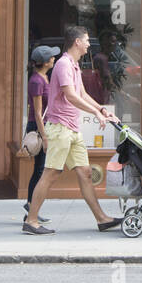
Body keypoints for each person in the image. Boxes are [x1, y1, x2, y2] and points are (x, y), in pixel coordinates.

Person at [23, 26, 121, 235]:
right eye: (86, 40)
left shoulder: (74, 65)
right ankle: (31, 221)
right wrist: (95, 115)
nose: (88, 43)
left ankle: (102, 219)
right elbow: (70, 96)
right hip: (60, 128)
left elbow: (82, 93)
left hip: (72, 129)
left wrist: (101, 109)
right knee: (50, 173)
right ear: (77, 42)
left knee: (85, 173)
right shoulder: (63, 64)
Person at [23, 46, 56, 223]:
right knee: (40, 169)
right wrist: (44, 137)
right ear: (44, 62)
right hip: (37, 127)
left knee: (40, 169)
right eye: (51, 57)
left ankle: (30, 207)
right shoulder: (37, 81)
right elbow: (37, 112)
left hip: (44, 126)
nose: (54, 58)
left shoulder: (44, 77)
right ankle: (30, 205)